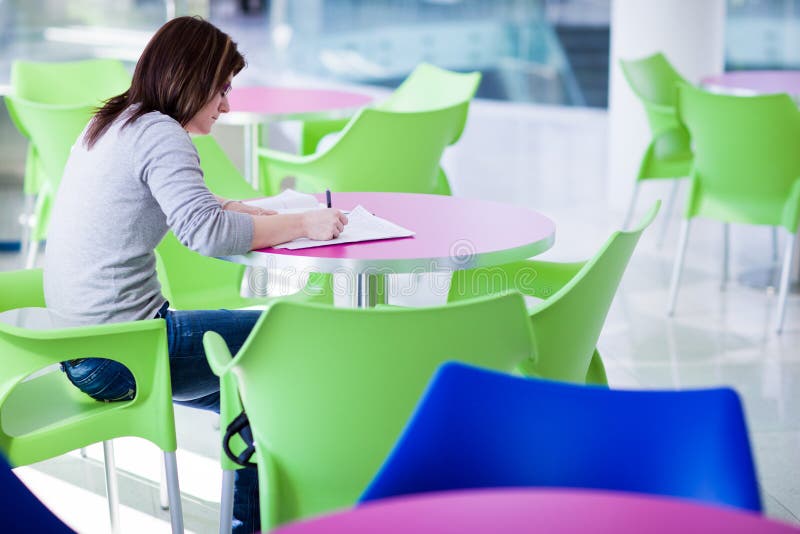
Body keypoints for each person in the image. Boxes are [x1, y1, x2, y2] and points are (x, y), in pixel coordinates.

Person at [42, 16, 347, 533]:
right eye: (221, 89)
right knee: (287, 341)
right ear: (191, 78)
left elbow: (180, 203)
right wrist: (304, 223)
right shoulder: (161, 134)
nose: (226, 106)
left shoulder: (118, 121)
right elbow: (204, 234)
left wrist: (231, 206)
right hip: (124, 352)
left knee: (257, 389)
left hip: (80, 350)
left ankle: (266, 517)